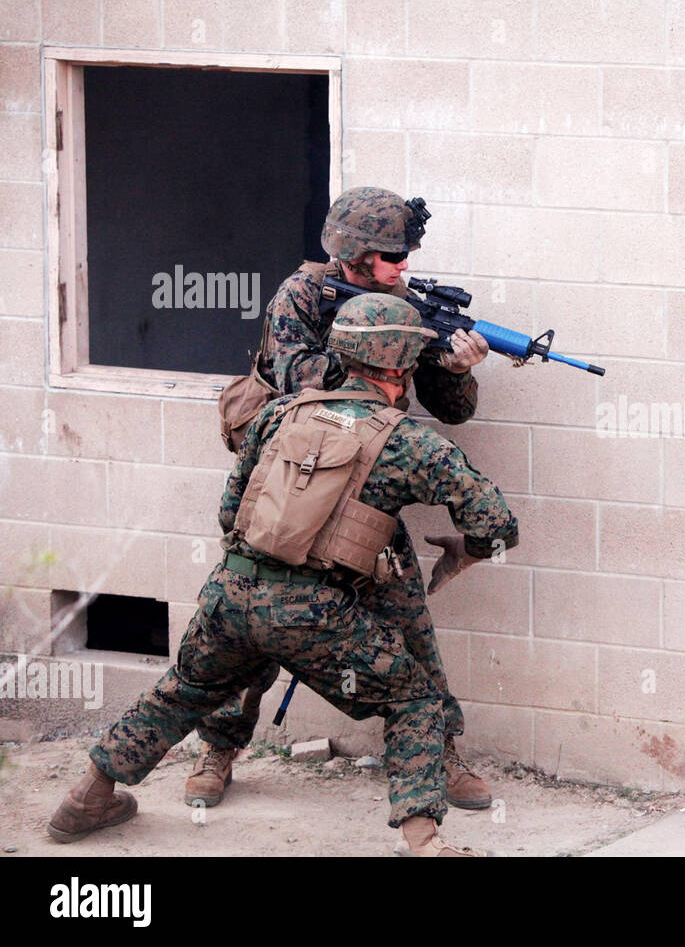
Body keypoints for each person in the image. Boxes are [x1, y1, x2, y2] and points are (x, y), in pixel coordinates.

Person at [47, 294, 519, 857]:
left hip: (231, 595)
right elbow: (496, 525)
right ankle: (426, 843)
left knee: (184, 690)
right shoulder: (412, 443)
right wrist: (459, 554)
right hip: (320, 616)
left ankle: (85, 799)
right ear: (402, 366)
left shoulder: (278, 413)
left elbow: (230, 513)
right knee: (414, 701)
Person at [188, 187, 494, 812]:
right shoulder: (302, 298)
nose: (402, 267)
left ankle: (440, 751)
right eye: (390, 257)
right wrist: (378, 340)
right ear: (354, 256)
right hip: (294, 484)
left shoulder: (409, 306)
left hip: (370, 488)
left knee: (407, 622)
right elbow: (302, 381)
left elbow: (453, 411)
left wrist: (453, 364)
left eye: (406, 255)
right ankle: (218, 746)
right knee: (253, 619)